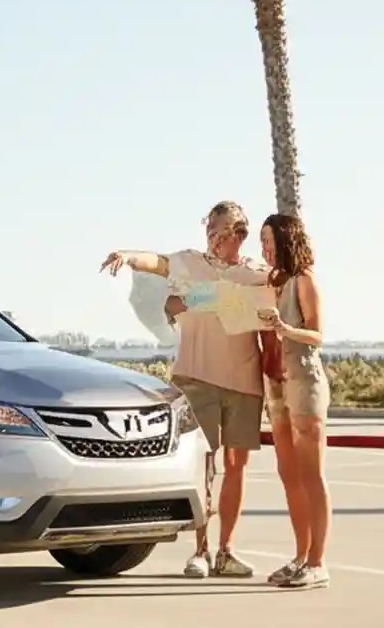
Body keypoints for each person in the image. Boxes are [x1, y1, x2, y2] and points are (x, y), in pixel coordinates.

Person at [100, 201, 282, 579]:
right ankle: (199, 551)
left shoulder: (257, 274)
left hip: (244, 382)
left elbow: (285, 299)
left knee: (236, 467)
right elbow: (158, 263)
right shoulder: (190, 262)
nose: (212, 238)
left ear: (239, 235)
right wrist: (128, 256)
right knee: (205, 465)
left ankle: (226, 551)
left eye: (220, 232)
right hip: (195, 377)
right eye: (209, 230)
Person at [257, 212, 332, 589]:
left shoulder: (305, 279)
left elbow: (317, 334)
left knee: (310, 474)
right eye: (261, 242)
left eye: (269, 240)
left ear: (286, 239)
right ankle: (300, 556)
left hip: (303, 381)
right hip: (276, 386)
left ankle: (318, 562)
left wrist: (285, 329)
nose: (265, 248)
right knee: (289, 476)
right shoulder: (270, 282)